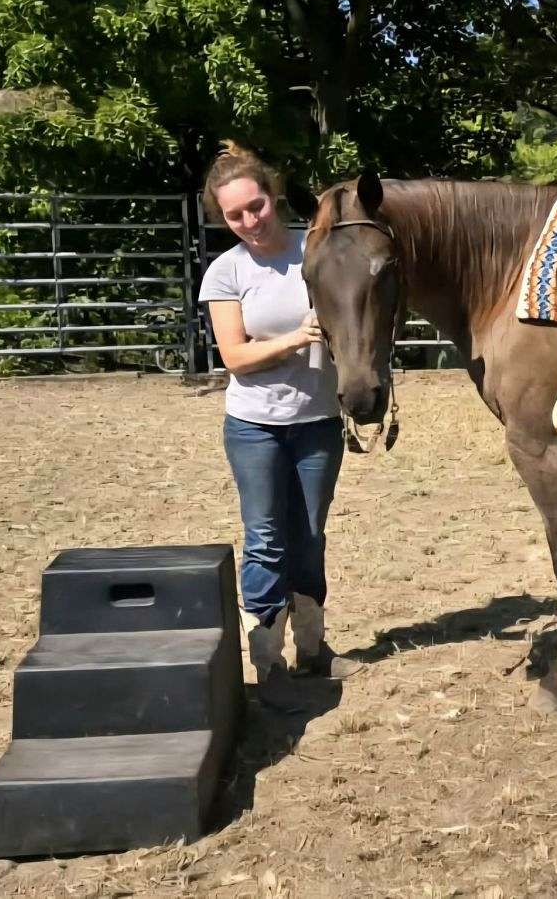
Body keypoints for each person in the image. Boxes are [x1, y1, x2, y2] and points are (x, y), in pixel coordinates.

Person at [198, 142, 361, 709]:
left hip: (317, 423)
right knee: (266, 540)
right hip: (255, 427)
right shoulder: (227, 271)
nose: (249, 221)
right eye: (234, 215)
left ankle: (312, 649)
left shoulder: (316, 253)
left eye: (256, 206)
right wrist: (295, 338)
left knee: (310, 535)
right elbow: (235, 357)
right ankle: (267, 660)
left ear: (274, 196)